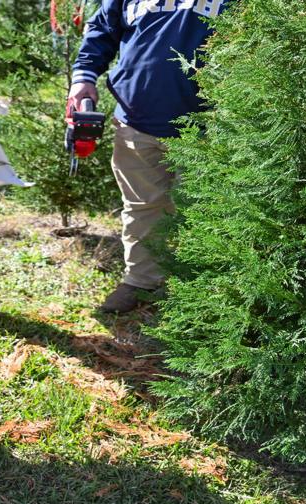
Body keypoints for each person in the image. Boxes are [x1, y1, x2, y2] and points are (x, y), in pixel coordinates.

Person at [68, 0, 226, 315]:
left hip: (208, 125)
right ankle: (141, 280)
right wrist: (84, 76)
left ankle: (208, 293)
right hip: (135, 118)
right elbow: (102, 29)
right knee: (141, 204)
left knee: (208, 212)